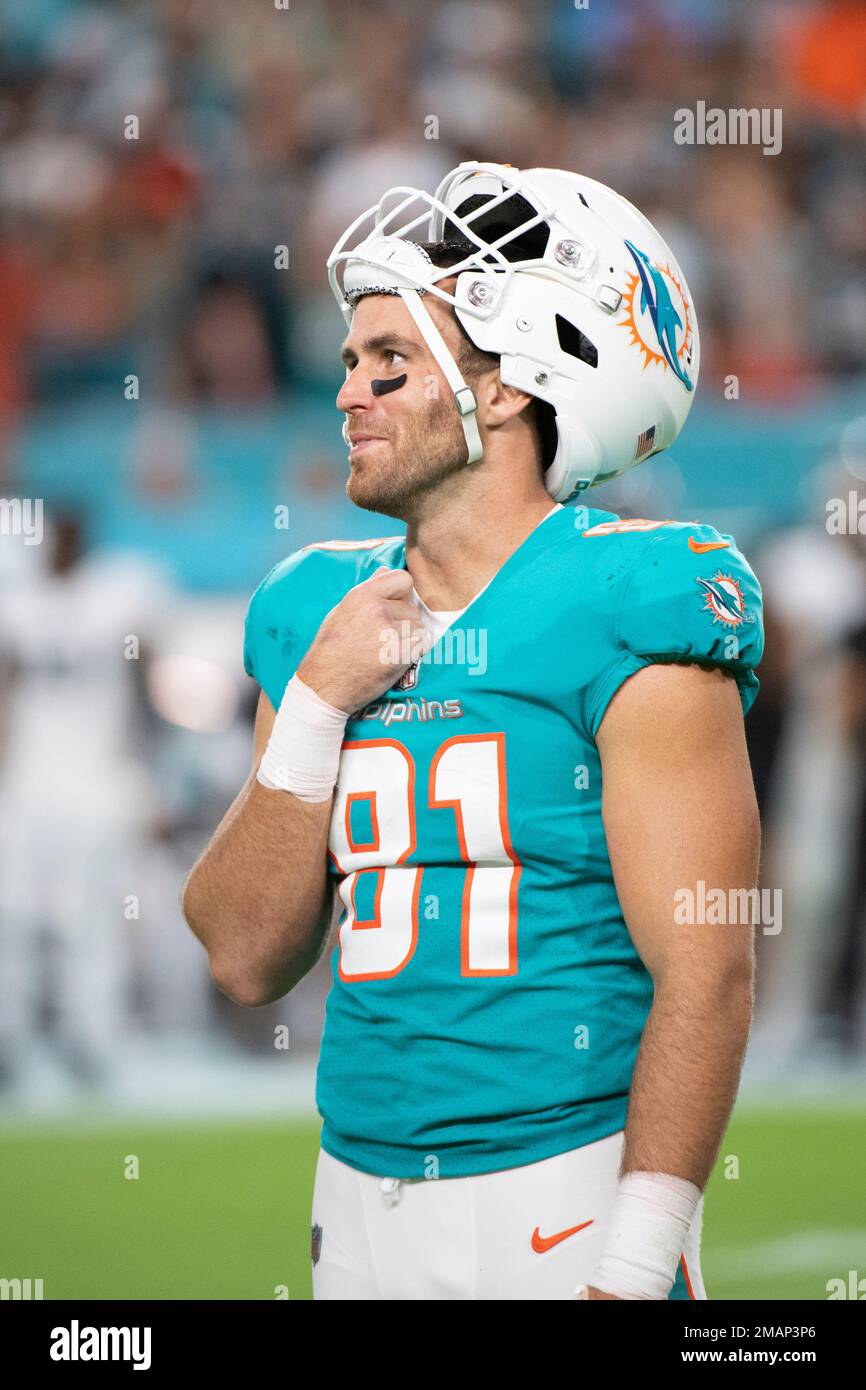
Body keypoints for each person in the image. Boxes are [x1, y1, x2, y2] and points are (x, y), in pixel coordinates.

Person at [182, 163, 764, 1300]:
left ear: (507, 390)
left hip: (559, 1192)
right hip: (350, 1198)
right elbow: (246, 954)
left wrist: (634, 1263)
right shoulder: (315, 610)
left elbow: (707, 974)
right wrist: (313, 702)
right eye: (350, 361)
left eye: (388, 363)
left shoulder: (625, 597)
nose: (348, 392)